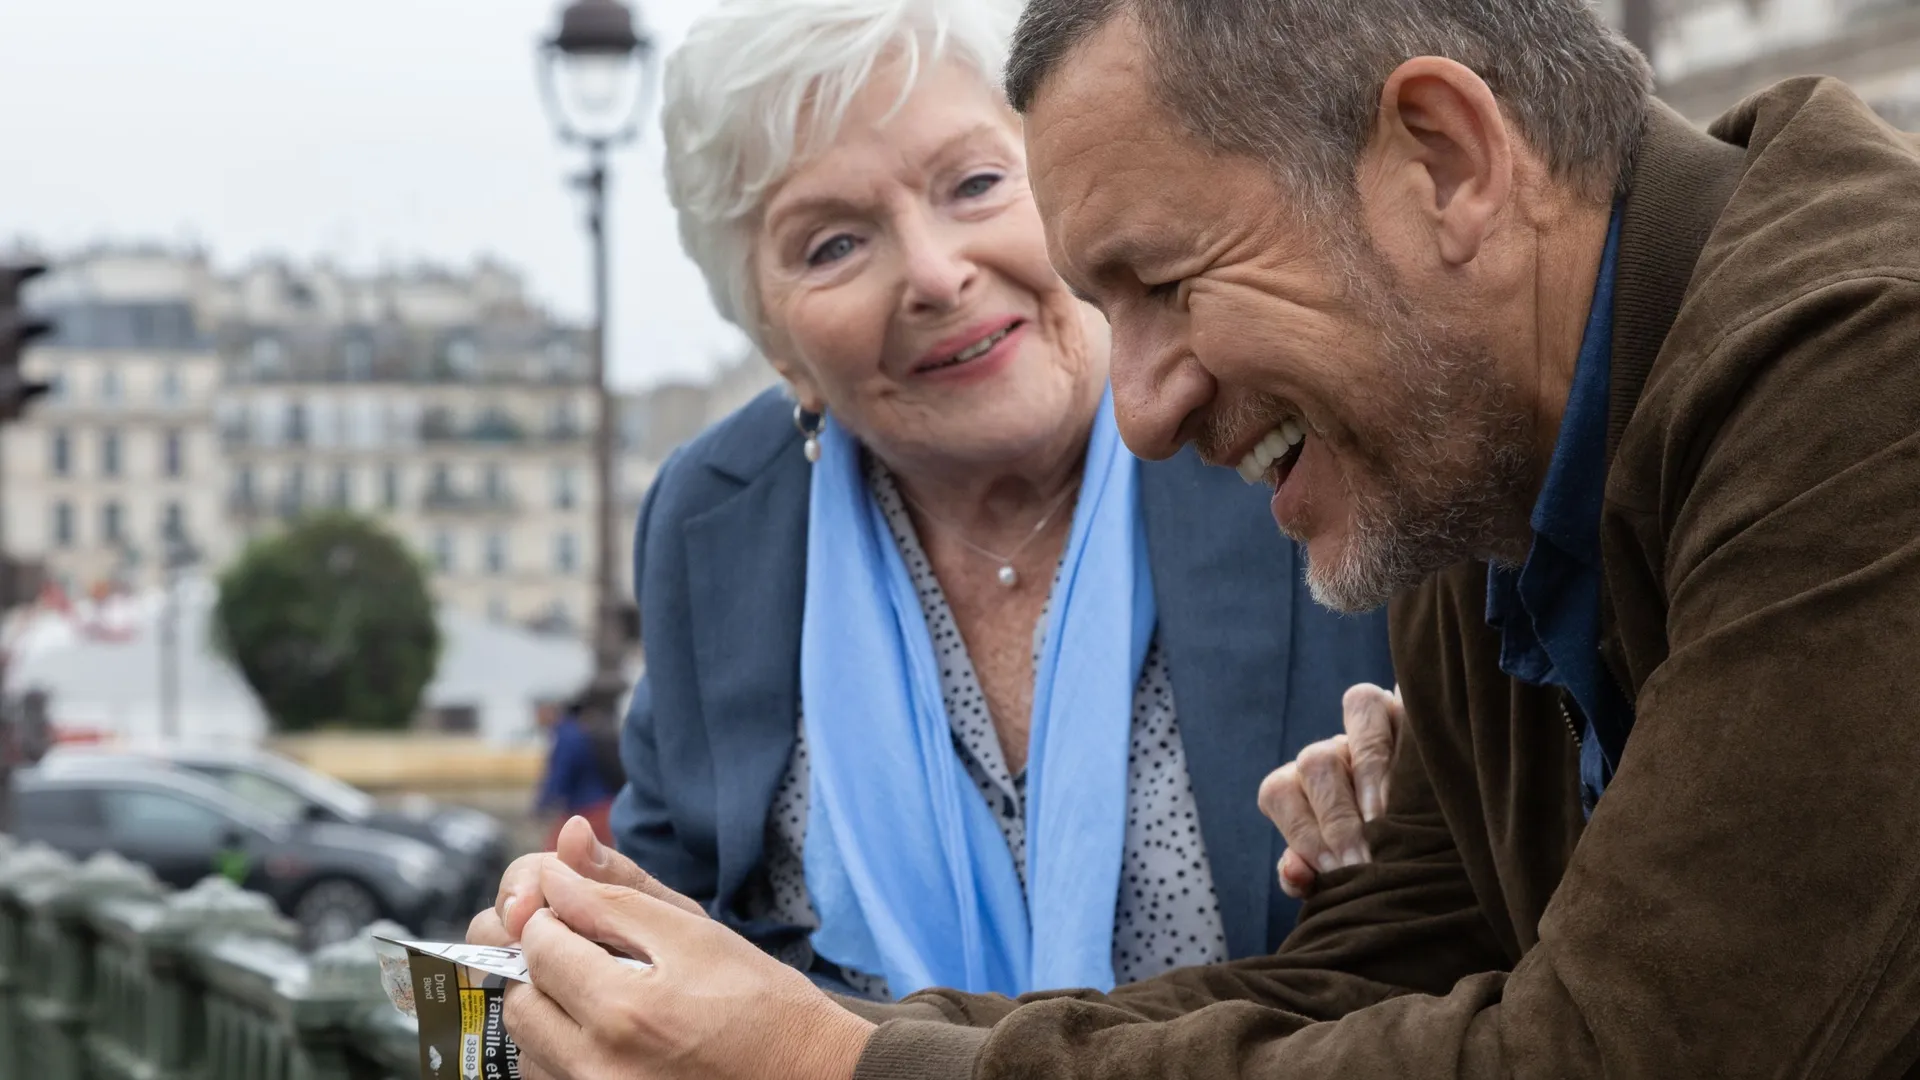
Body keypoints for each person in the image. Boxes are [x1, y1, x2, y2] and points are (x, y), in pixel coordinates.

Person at [469, 0, 1920, 1074]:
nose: (1145, 411)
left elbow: (1610, 1055)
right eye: (832, 242)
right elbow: (1348, 986)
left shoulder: (1868, 372)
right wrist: (746, 1027)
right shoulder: (1473, 452)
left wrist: (830, 1064)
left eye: (1162, 282)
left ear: (1446, 158)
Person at [487, 0, 1395, 1008]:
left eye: (973, 183)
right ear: (781, 350)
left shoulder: (1267, 407)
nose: (933, 272)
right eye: (831, 245)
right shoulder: (716, 519)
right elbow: (680, 921)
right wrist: (581, 944)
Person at [532, 694, 620, 850]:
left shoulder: (566, 736)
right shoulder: (577, 730)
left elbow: (560, 774)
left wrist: (542, 805)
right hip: (603, 805)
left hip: (587, 808)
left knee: (556, 856)